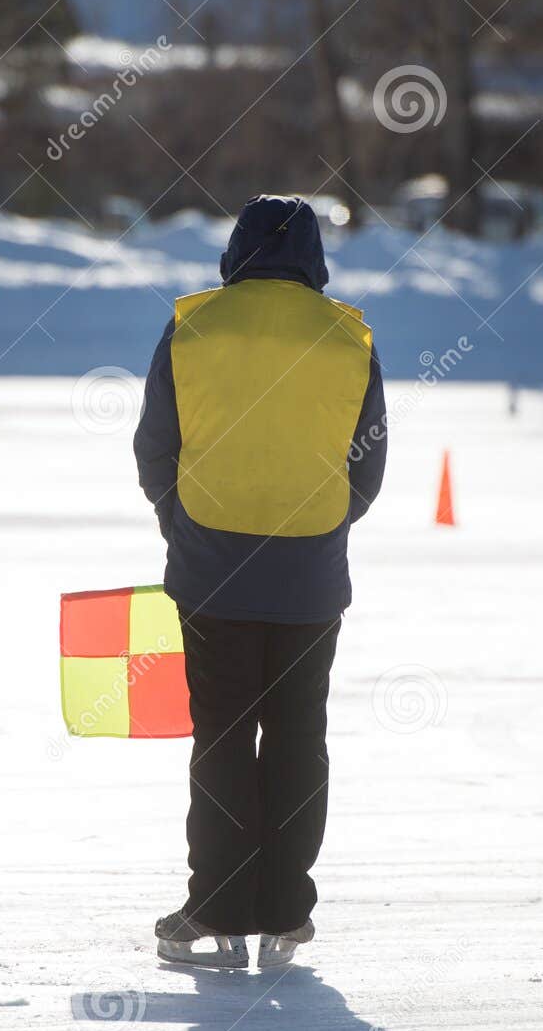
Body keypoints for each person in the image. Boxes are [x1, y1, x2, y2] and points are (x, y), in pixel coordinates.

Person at [133, 194, 387, 970]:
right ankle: (285, 912)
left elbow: (155, 450)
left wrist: (184, 523)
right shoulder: (350, 336)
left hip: (212, 572)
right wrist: (323, 528)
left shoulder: (192, 325)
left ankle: (216, 907)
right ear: (314, 257)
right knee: (298, 738)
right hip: (310, 577)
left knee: (222, 738)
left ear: (236, 251)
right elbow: (367, 466)